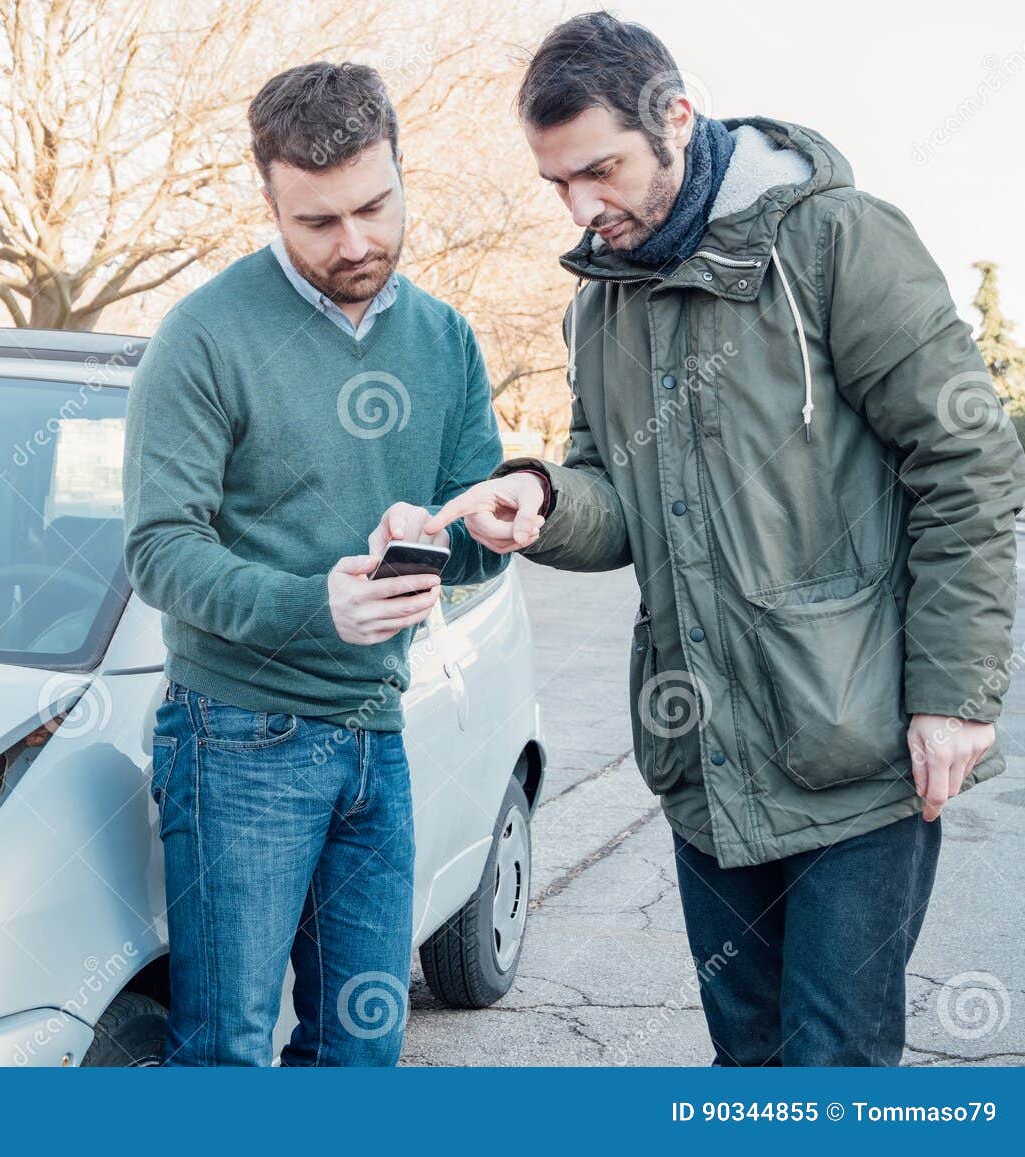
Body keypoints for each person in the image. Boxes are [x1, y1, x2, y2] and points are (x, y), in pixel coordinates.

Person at [425, 12, 1025, 1066]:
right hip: (702, 755)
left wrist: (955, 695)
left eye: (599, 169)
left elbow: (966, 459)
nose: (580, 205)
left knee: (830, 1068)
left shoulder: (836, 240)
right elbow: (611, 487)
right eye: (556, 183)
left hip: (858, 749)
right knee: (745, 1065)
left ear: (676, 119)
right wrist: (545, 502)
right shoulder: (601, 300)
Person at [122, 61, 512, 1065]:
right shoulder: (204, 335)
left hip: (378, 731)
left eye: (375, 207)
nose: (356, 242)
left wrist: (490, 526)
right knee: (224, 1049)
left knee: (360, 1047)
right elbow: (160, 551)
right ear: (270, 201)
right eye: (318, 222)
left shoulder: (443, 338)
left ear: (399, 169)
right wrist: (315, 605)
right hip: (236, 738)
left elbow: (469, 536)